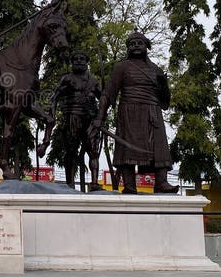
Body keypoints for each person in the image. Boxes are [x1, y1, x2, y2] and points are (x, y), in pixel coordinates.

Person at [90, 30, 178, 194]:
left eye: (139, 43)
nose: (136, 46)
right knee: (127, 150)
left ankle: (161, 182)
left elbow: (165, 102)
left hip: (153, 113)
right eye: (132, 43)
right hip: (129, 112)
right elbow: (108, 94)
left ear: (146, 46)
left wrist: (163, 84)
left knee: (159, 148)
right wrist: (99, 117)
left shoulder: (156, 70)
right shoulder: (122, 67)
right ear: (128, 48)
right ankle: (129, 185)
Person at [38, 50, 102, 191]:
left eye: (82, 59)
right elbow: (54, 98)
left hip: (90, 120)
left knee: (93, 151)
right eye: (76, 59)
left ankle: (95, 183)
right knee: (70, 151)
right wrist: (52, 116)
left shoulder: (93, 81)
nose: (79, 61)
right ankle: (69, 183)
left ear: (87, 62)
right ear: (72, 63)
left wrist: (100, 117)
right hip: (72, 118)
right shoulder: (67, 79)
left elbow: (102, 99)